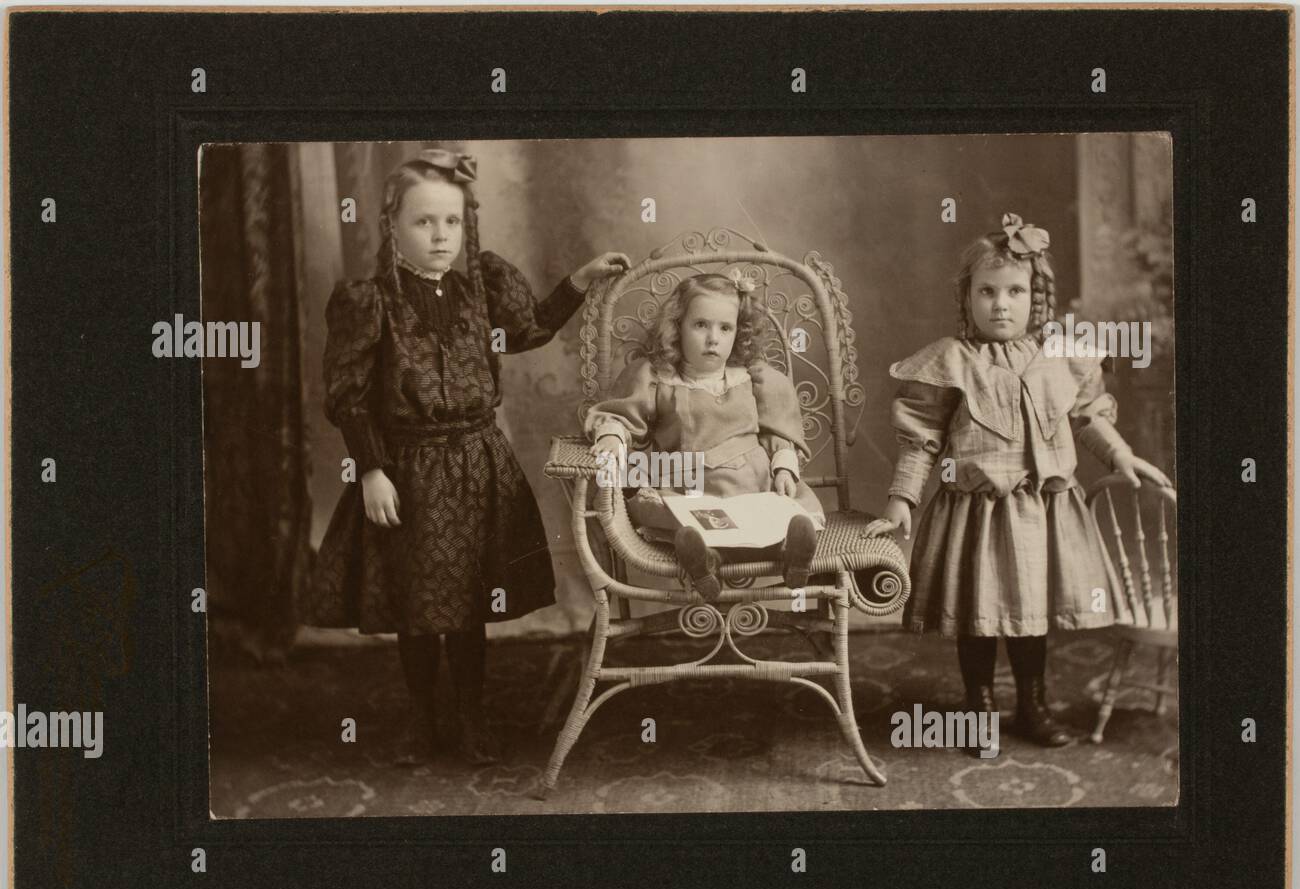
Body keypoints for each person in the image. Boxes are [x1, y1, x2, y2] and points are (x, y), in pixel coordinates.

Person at [309, 147, 629, 764]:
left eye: (451, 222)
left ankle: (471, 717)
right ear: (393, 225)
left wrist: (578, 283)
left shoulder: (482, 288)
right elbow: (348, 396)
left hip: (478, 461)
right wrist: (371, 468)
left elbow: (529, 329)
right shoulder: (368, 301)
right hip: (409, 468)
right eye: (424, 221)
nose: (439, 235)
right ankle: (426, 719)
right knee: (420, 606)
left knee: (469, 604)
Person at [874, 213, 1171, 751]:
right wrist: (901, 501)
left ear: (1036, 296)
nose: (1000, 304)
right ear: (967, 298)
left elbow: (1087, 419)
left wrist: (1121, 455)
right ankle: (978, 708)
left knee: (1031, 619)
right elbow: (921, 442)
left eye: (1015, 290)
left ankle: (1033, 707)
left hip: (1040, 511)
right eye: (987, 291)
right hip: (977, 513)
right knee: (979, 617)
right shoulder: (951, 362)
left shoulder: (1060, 356)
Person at [586, 272, 823, 601]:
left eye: (724, 328)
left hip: (749, 482)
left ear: (738, 333)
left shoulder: (753, 379)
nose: (713, 338)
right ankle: (705, 561)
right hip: (687, 481)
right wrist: (613, 434)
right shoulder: (659, 378)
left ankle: (791, 555)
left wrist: (783, 466)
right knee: (689, 517)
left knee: (771, 512)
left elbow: (776, 431)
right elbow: (624, 413)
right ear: (677, 327)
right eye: (700, 325)